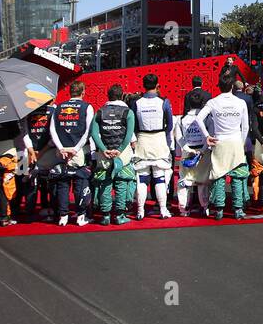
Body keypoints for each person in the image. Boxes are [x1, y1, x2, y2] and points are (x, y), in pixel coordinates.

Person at [195, 68, 251, 220]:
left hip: (219, 142)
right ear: (232, 86)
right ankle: (238, 209)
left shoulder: (213, 102)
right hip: (235, 142)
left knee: (218, 176)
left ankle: (219, 209)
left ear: (218, 87)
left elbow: (198, 119)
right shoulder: (240, 102)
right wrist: (242, 143)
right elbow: (245, 126)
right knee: (238, 177)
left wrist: (207, 136)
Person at [48, 80, 95, 227]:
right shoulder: (87, 107)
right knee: (80, 182)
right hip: (78, 151)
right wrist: (75, 148)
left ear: (70, 93)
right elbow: (88, 131)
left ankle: (63, 217)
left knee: (63, 183)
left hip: (61, 151)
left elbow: (52, 129)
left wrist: (61, 148)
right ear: (83, 92)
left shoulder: (58, 107)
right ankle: (81, 216)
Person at [90, 84, 138, 225]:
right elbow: (129, 135)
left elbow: (94, 133)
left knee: (105, 183)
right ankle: (119, 215)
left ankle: (105, 216)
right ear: (121, 95)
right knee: (122, 183)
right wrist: (120, 149)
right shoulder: (128, 112)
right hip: (122, 154)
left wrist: (103, 149)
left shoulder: (99, 111)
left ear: (108, 96)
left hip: (104, 154)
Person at [131, 73, 174, 220]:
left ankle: (140, 211)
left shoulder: (136, 103)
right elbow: (170, 125)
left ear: (143, 86)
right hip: (159, 141)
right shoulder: (164, 102)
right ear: (157, 85)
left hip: (142, 141)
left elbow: (134, 125)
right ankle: (163, 210)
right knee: (160, 177)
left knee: (141, 178)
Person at [172, 87, 211, 216]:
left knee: (184, 181)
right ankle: (204, 207)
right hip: (203, 152)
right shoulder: (206, 118)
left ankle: (183, 209)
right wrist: (202, 150)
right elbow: (209, 135)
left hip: (187, 152)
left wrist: (187, 150)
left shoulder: (181, 119)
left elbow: (178, 137)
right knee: (202, 181)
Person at [17, 103, 55, 221]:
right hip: (25, 153)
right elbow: (24, 132)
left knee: (31, 181)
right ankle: (24, 209)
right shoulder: (53, 110)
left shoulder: (23, 111)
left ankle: (32, 209)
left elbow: (24, 133)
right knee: (25, 181)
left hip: (26, 152)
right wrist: (34, 152)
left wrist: (33, 152)